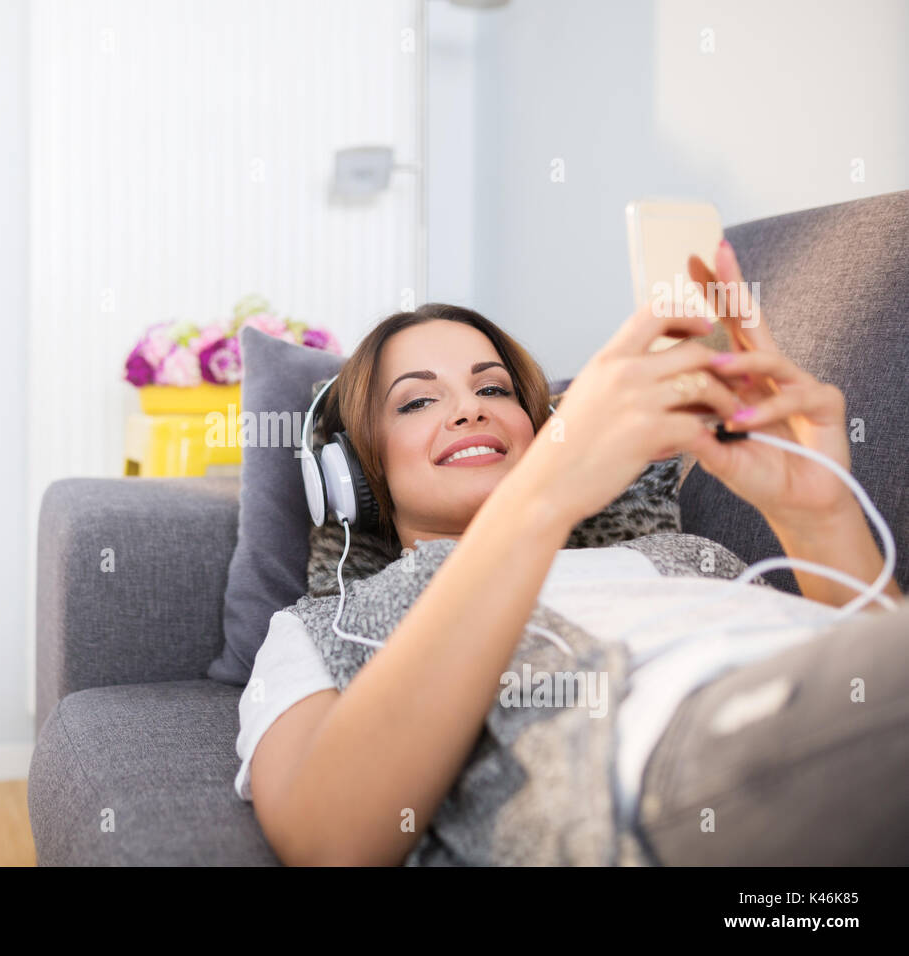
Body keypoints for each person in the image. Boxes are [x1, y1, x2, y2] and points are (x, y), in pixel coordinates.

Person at [237, 239, 906, 866]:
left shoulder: (683, 552)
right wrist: (537, 502)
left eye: (493, 389)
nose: (469, 411)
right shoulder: (323, 627)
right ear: (354, 472)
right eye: (416, 400)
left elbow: (861, 652)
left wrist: (820, 518)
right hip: (688, 756)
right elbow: (327, 837)